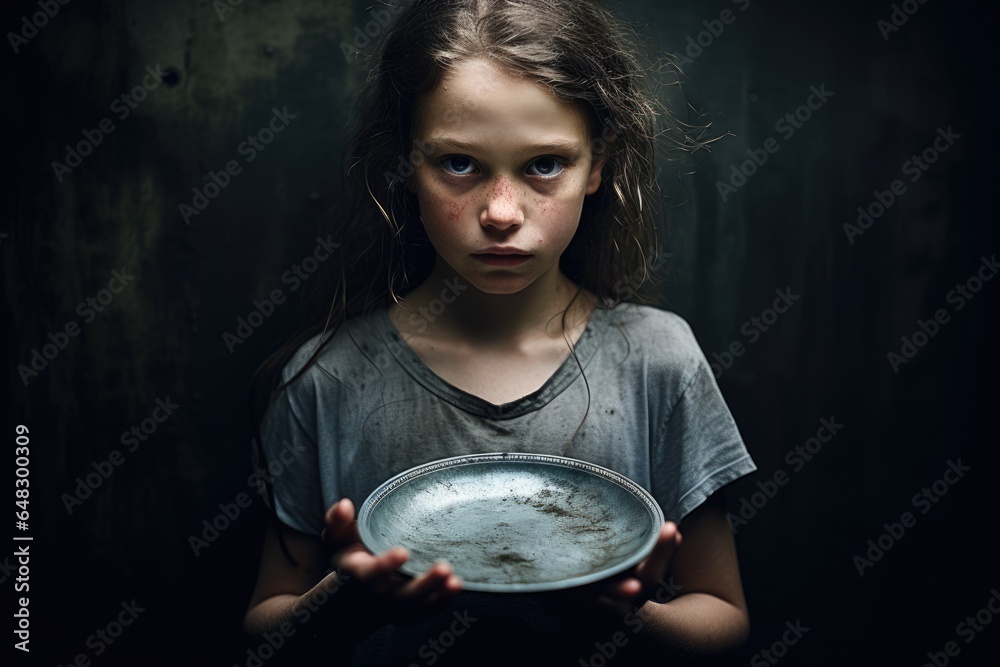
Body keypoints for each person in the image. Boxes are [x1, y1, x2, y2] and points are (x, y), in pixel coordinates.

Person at [243, 0, 756, 664]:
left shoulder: (658, 360)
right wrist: (340, 610)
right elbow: (263, 624)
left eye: (545, 163)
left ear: (597, 164)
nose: (502, 213)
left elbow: (724, 616)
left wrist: (624, 621)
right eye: (459, 163)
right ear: (405, 164)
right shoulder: (328, 376)